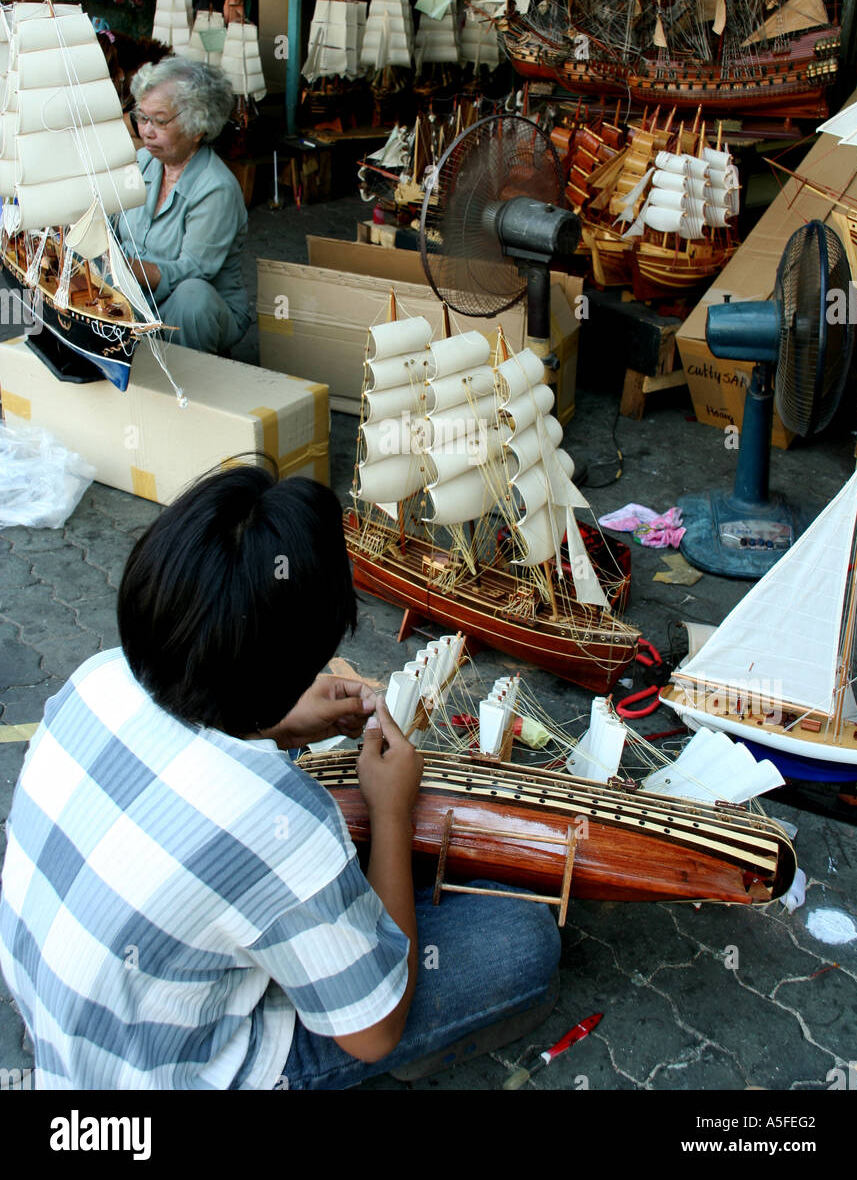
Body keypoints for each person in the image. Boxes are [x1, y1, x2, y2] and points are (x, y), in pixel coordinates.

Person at [0, 465, 560, 1090]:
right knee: (520, 938)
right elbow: (373, 1033)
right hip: (153, 1080)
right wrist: (392, 813)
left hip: (64, 1022)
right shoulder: (289, 826)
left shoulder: (96, 678)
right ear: (300, 661)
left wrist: (277, 723)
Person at [115, 56, 251, 356]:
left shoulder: (216, 188)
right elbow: (109, 226)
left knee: (194, 297)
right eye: (142, 117)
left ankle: (195, 387)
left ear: (197, 127)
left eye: (159, 121)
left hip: (188, 306)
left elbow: (194, 270)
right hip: (138, 299)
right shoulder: (140, 164)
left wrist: (124, 269)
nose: (146, 131)